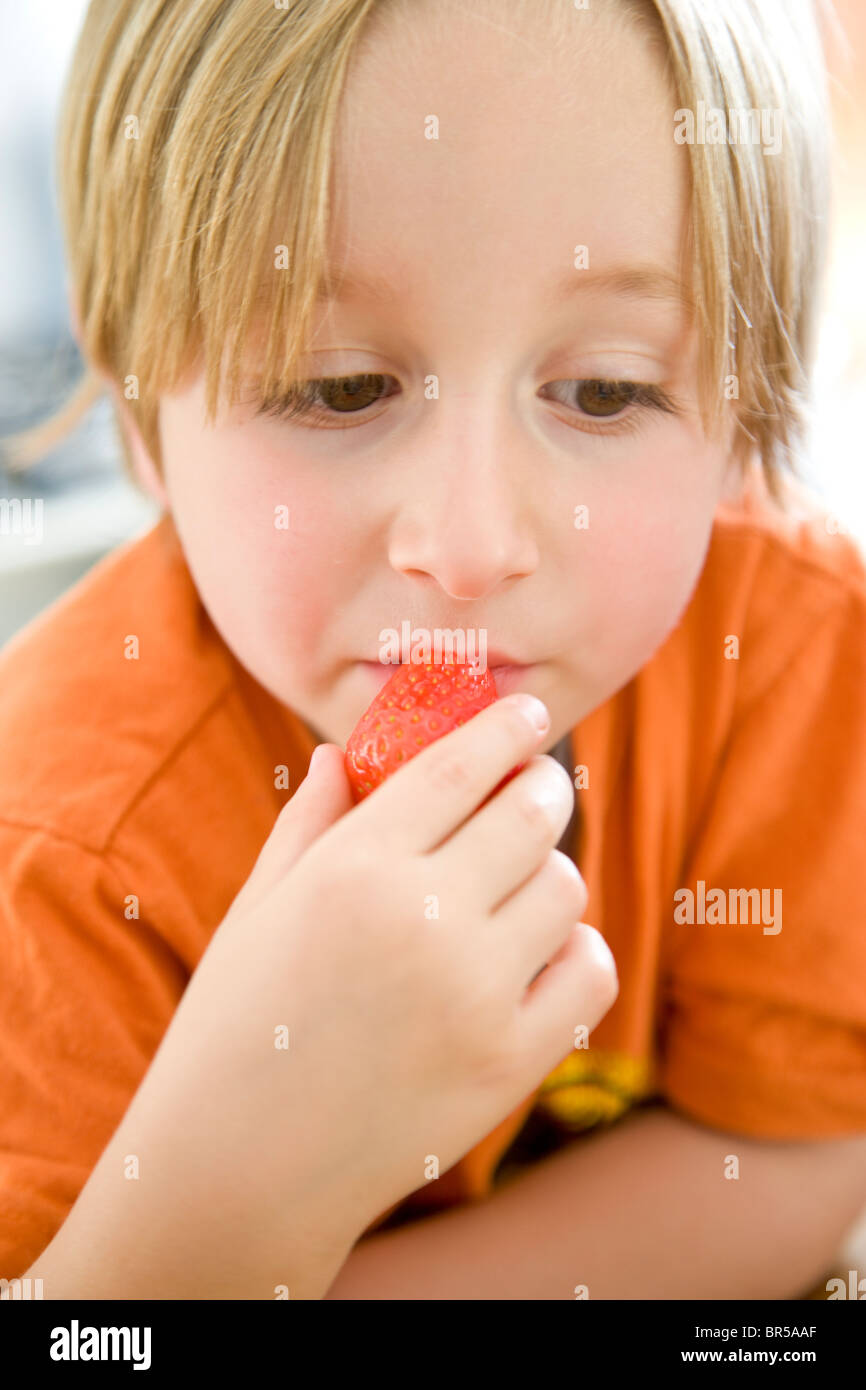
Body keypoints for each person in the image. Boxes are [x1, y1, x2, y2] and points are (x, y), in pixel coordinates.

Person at [2, 0, 866, 1301]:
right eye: (341, 385)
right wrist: (223, 1195)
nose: (469, 548)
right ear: (134, 402)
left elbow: (793, 1154)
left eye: (606, 390)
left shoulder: (789, 647)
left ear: (739, 421)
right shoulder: (56, 850)